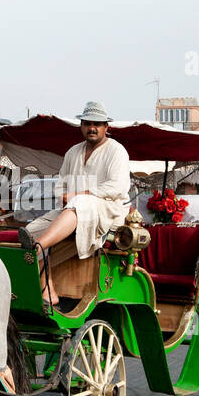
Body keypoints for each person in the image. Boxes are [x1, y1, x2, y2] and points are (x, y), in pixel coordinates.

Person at [17, 101, 131, 304]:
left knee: (79, 203)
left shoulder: (117, 151)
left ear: (107, 127)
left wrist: (80, 194)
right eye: (87, 123)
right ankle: (47, 289)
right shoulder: (73, 152)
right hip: (73, 210)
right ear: (81, 126)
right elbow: (61, 185)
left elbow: (117, 188)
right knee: (33, 229)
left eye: (97, 124)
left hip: (108, 211)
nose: (92, 128)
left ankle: (40, 246)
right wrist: (64, 195)